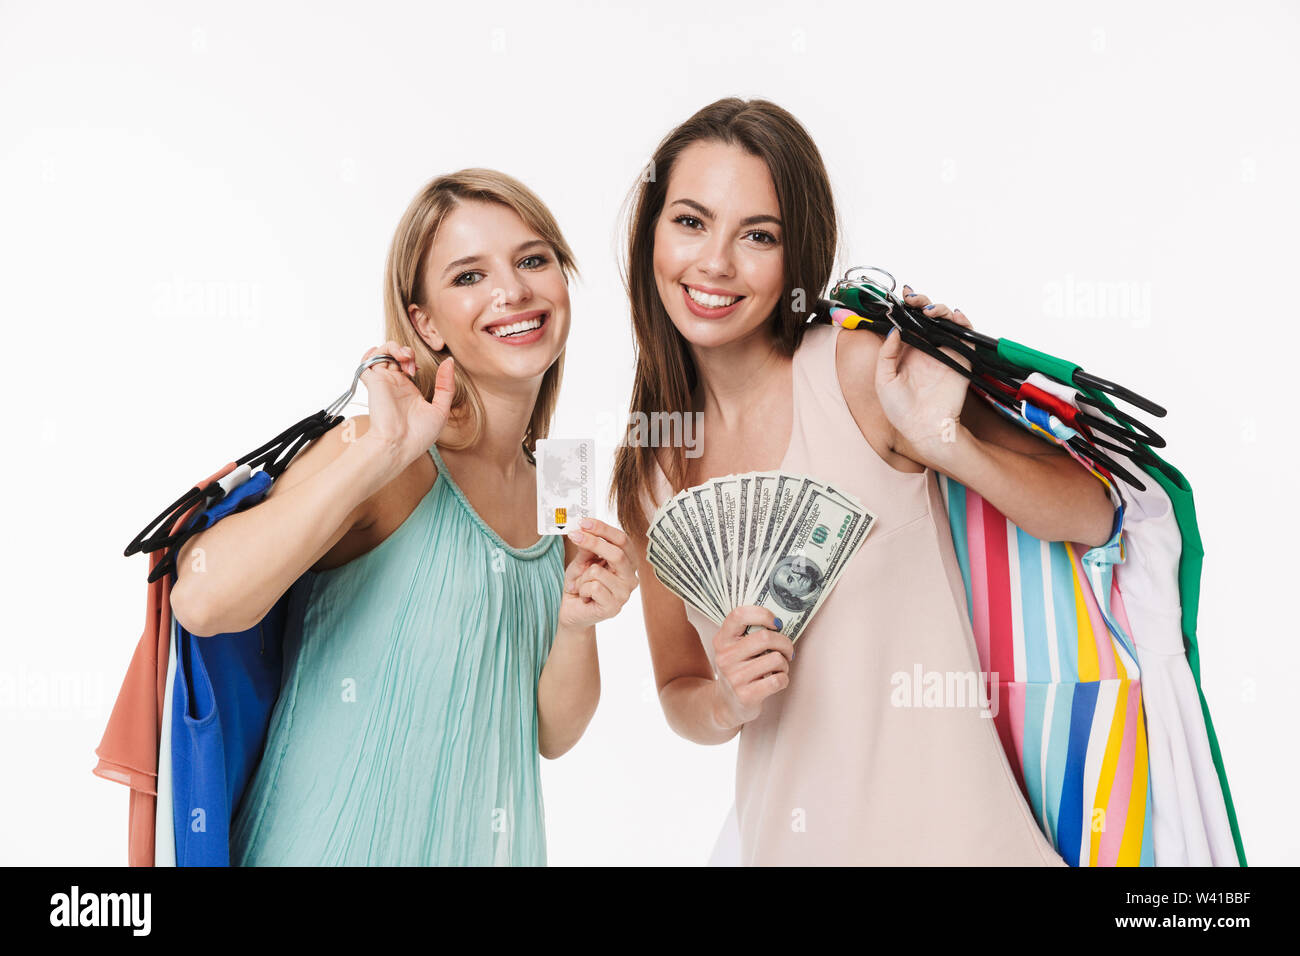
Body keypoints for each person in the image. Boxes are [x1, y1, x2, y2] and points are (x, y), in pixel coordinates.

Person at [610, 98, 1115, 865]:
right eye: (690, 221)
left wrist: (946, 442)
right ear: (651, 230)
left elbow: (1094, 511)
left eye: (758, 235)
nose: (715, 262)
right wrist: (727, 699)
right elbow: (681, 687)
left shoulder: (854, 370)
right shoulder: (652, 463)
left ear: (795, 256)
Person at [170, 168, 639, 865]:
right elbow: (202, 600)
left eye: (532, 260)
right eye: (468, 276)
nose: (512, 290)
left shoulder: (556, 492)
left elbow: (548, 734)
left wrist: (576, 627)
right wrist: (382, 449)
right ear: (424, 322)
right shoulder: (381, 454)